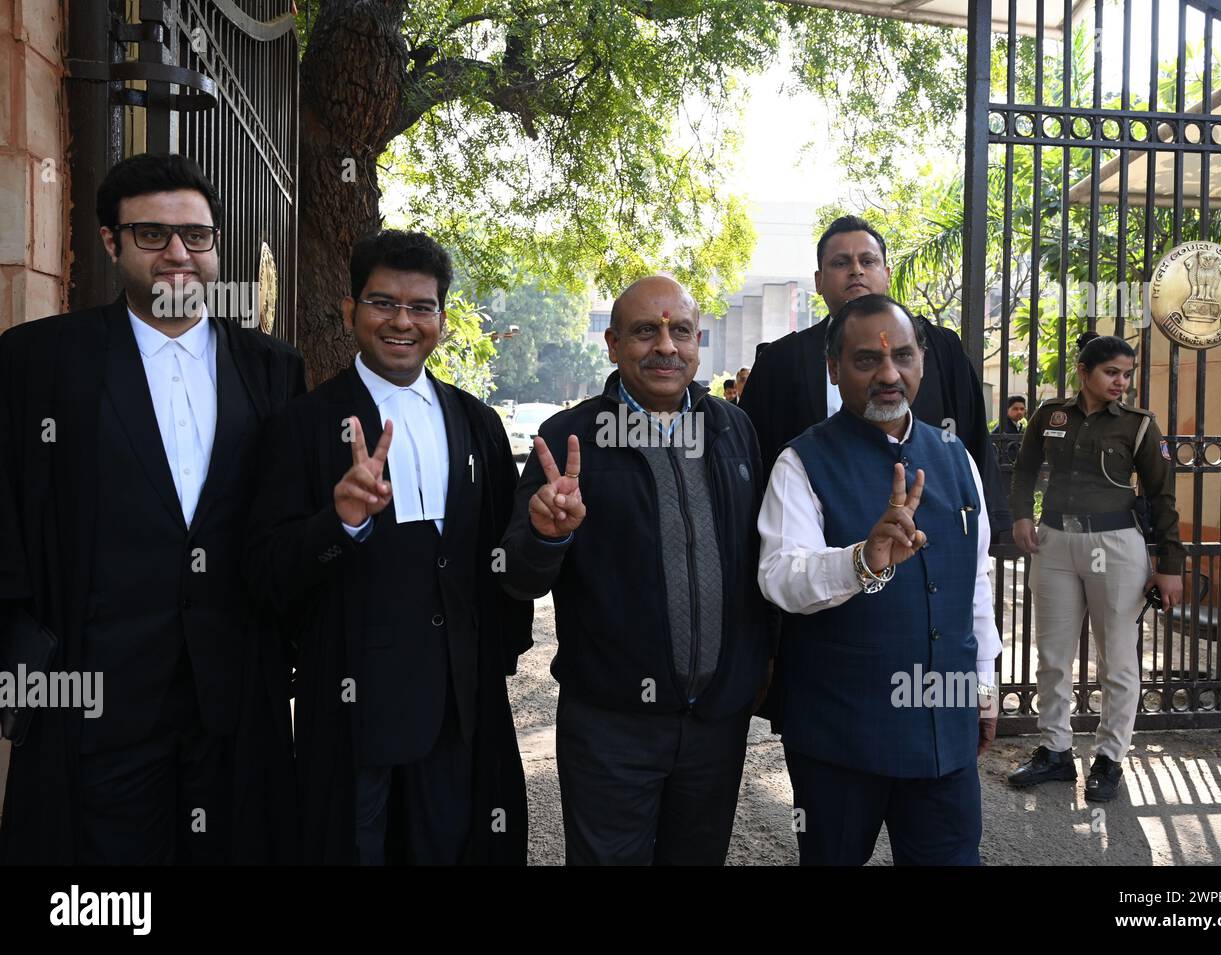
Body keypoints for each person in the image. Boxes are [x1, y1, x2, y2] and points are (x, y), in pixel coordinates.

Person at [0, 153, 305, 864]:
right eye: (151, 235)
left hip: (233, 696)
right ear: (111, 243)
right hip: (95, 697)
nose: (178, 253)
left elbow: (282, 525)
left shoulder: (273, 367)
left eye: (196, 236)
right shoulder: (37, 362)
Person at [243, 230, 532, 864]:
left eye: (421, 307)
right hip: (352, 708)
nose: (402, 321)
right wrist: (339, 523)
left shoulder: (478, 423)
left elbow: (501, 563)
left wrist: (547, 533)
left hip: (460, 703)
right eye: (382, 303)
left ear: (442, 320)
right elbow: (265, 572)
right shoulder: (301, 426)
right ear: (349, 311)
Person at [499, 274, 770, 865]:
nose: (665, 346)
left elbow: (757, 561)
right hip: (610, 725)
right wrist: (549, 536)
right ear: (613, 343)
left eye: (680, 331)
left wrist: (752, 671)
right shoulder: (567, 437)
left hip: (714, 726)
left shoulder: (735, 429)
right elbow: (517, 577)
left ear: (699, 341)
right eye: (646, 331)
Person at [757, 294, 999, 865]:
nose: (889, 375)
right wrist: (862, 560)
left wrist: (985, 684)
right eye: (867, 361)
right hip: (842, 734)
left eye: (904, 357)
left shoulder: (956, 456)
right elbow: (779, 577)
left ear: (921, 362)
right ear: (835, 369)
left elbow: (978, 579)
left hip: (944, 726)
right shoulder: (801, 461)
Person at [739, 215, 1008, 535]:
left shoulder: (939, 347)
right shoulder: (780, 361)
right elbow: (753, 458)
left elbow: (972, 437)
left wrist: (994, 519)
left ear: (887, 274)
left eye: (868, 260)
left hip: (924, 534)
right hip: (818, 542)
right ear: (819, 280)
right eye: (840, 263)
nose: (856, 270)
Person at [1006, 332, 1184, 802]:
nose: (1121, 382)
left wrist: (1170, 563)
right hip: (1056, 542)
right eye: (1111, 373)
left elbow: (1161, 494)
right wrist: (1022, 514)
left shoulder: (1139, 425)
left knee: (1118, 658)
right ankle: (1055, 750)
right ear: (1084, 373)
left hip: (1115, 542)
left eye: (1126, 374)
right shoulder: (1049, 415)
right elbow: (1024, 470)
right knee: (1052, 653)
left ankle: (1109, 759)